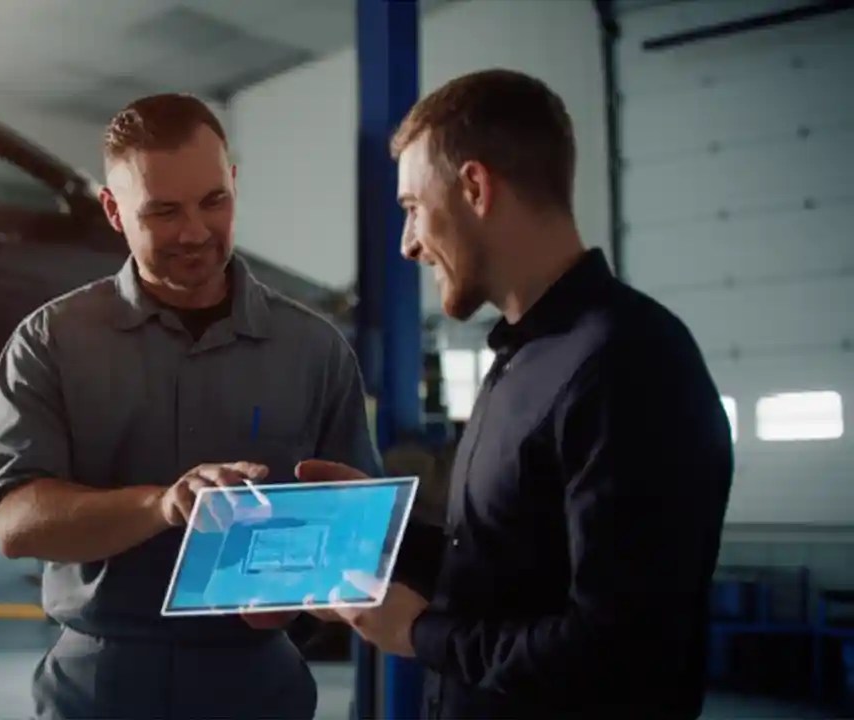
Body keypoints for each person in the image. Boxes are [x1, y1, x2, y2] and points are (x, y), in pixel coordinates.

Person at [300, 69, 734, 719]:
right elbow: (506, 570)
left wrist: (419, 635)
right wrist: (379, 532)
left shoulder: (628, 364)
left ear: (475, 186)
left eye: (413, 208)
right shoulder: (521, 360)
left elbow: (622, 653)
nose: (408, 243)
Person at [0, 93, 381, 720]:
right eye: (163, 211)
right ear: (113, 210)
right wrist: (163, 505)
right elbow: (15, 522)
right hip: (100, 686)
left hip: (259, 684)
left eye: (214, 201)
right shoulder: (51, 342)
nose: (195, 231)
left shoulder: (314, 350)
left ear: (234, 183)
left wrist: (310, 591)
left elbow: (361, 540)